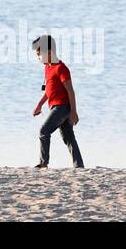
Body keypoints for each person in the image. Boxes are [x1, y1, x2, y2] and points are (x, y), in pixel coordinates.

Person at [32, 34, 84, 168]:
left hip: (62, 107)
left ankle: (43, 163)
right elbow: (49, 91)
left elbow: (70, 91)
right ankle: (79, 166)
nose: (38, 58)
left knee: (44, 131)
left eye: (39, 54)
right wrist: (39, 105)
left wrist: (73, 112)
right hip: (55, 107)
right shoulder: (47, 68)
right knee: (68, 138)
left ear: (49, 52)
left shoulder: (61, 68)